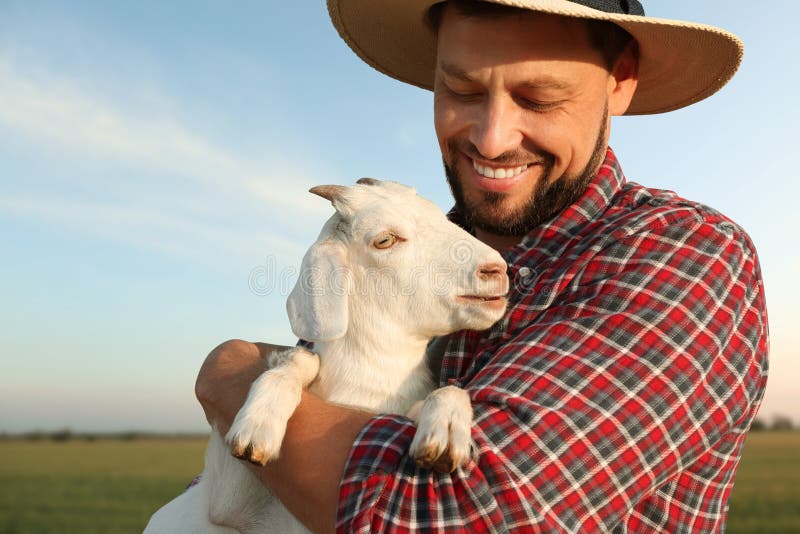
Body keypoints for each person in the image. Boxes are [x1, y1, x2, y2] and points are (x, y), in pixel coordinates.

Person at [196, 1, 769, 532]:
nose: (492, 140)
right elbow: (258, 492)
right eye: (460, 88)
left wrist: (234, 378)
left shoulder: (683, 255)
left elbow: (466, 515)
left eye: (540, 97)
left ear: (619, 79)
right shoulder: (389, 260)